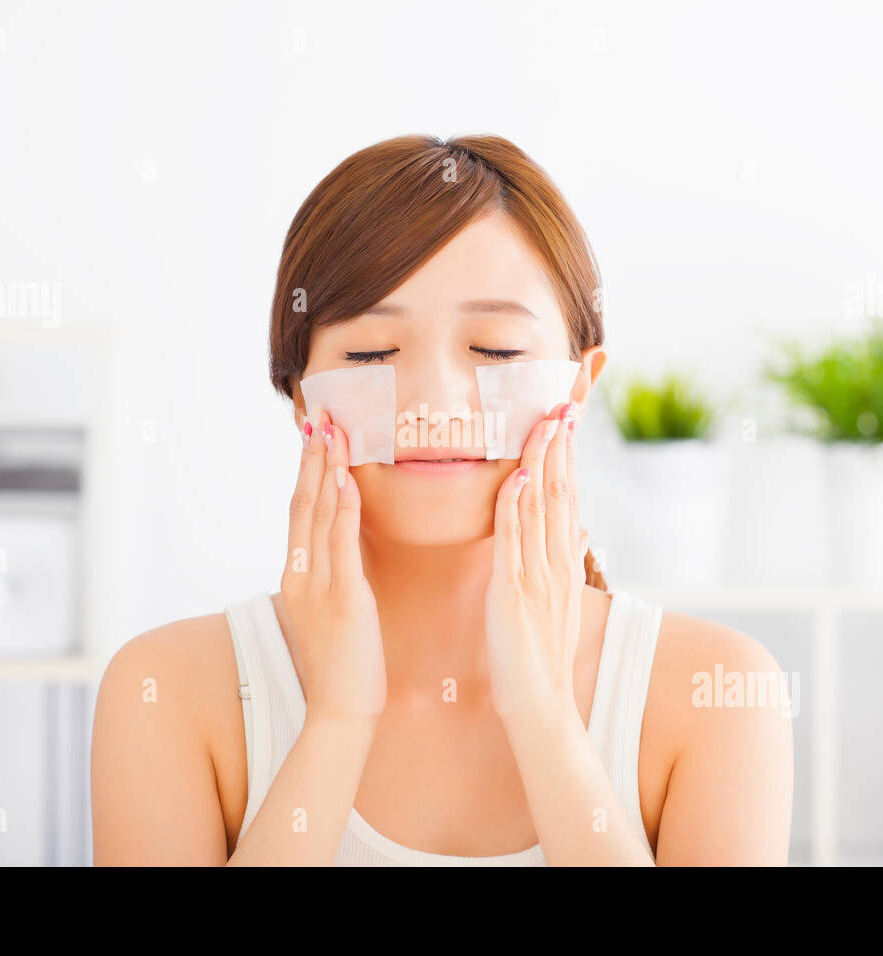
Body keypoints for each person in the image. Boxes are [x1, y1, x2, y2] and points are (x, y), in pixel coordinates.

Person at [91, 134, 793, 865]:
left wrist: (546, 717)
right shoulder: (166, 691)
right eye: (370, 354)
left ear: (579, 388)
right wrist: (335, 721)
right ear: (302, 397)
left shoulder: (720, 694)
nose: (434, 401)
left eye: (495, 351)